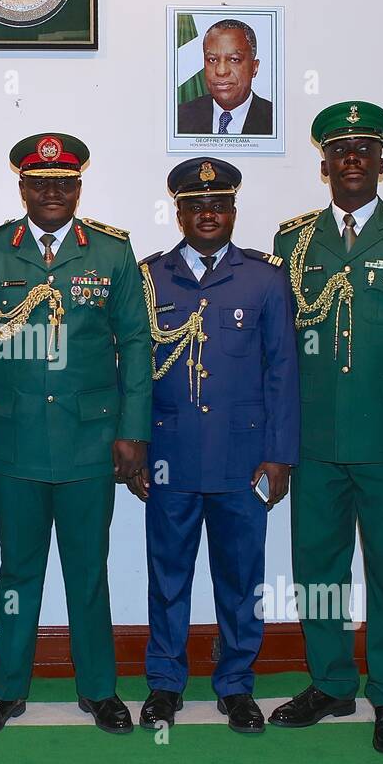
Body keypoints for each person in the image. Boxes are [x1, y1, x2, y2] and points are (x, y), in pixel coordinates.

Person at [270, 102, 383, 755]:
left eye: (363, 150)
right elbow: (280, 351)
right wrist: (278, 440)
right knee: (318, 567)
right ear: (323, 165)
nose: (351, 160)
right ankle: (330, 681)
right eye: (340, 151)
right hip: (315, 441)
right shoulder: (293, 242)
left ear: (380, 162)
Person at [0, 133, 152, 737]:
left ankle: (99, 689)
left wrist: (133, 432)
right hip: (12, 438)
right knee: (17, 571)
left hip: (90, 442)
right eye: (39, 183)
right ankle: (5, 688)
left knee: (87, 570)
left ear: (78, 188)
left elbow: (137, 346)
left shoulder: (113, 252)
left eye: (63, 183)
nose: (51, 192)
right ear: (22, 188)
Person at [131, 157, 299, 733]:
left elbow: (283, 372)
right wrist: (131, 445)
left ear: (233, 211)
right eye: (196, 206)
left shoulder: (266, 279)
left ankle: (235, 684)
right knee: (168, 575)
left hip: (242, 458)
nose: (208, 214)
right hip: (169, 455)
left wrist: (280, 454)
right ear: (178, 212)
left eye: (219, 204)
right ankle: (165, 683)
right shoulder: (149, 277)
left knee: (241, 577)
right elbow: (131, 369)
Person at [176, 19, 274, 136]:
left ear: (254, 68)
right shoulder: (180, 117)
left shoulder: (276, 118)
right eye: (212, 60)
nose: (221, 71)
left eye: (234, 59)